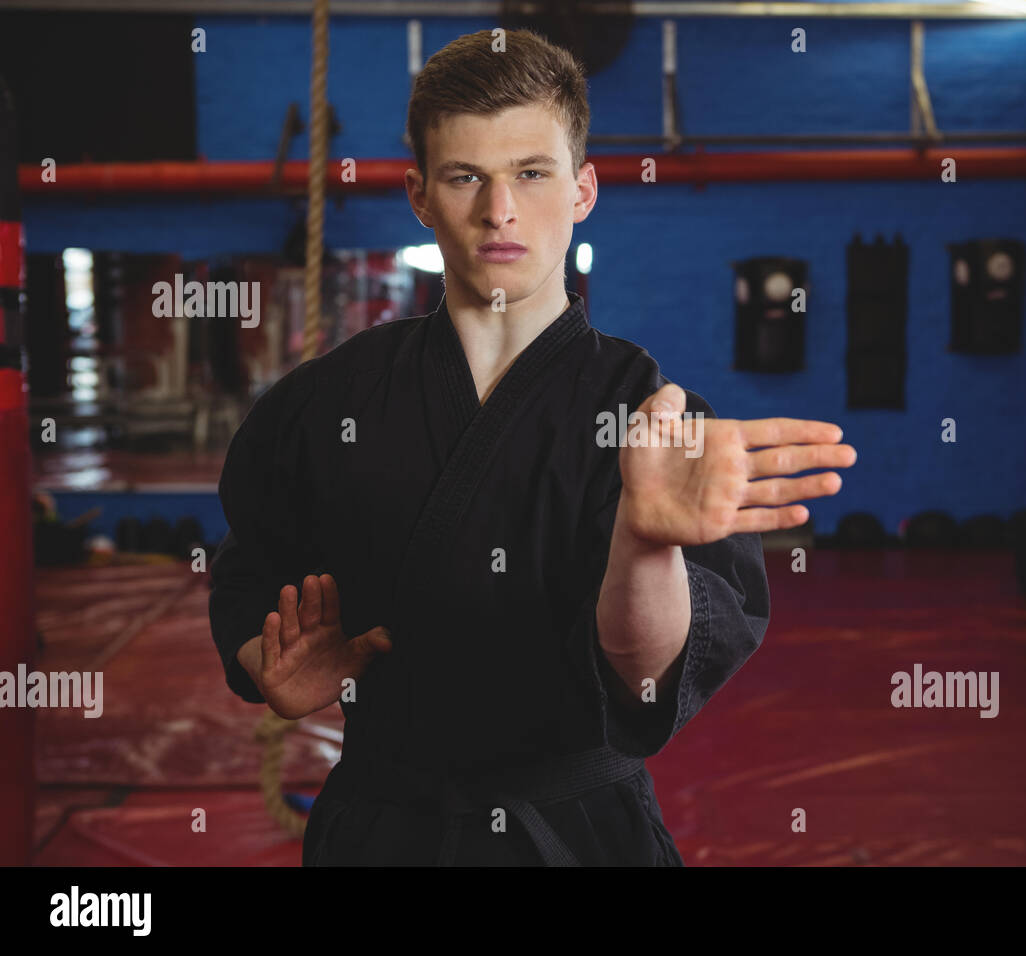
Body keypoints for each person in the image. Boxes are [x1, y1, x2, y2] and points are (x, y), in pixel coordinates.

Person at [208, 27, 856, 866]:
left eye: (532, 173)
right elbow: (251, 572)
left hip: (579, 835)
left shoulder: (655, 421)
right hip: (383, 827)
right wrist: (271, 665)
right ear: (419, 194)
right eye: (466, 176)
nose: (499, 210)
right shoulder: (325, 403)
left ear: (583, 189)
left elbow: (646, 681)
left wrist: (644, 545)